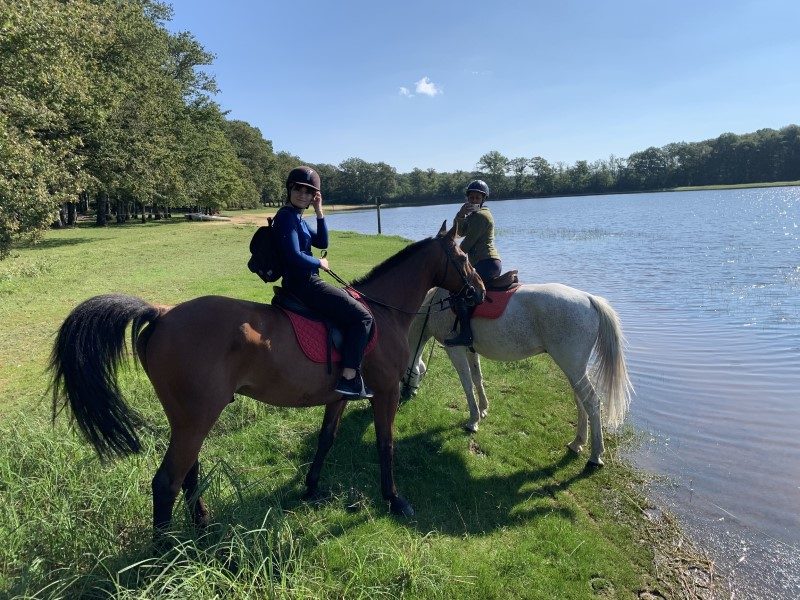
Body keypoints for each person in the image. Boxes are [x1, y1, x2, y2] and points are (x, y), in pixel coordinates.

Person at [273, 166, 374, 398]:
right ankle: (349, 377)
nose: (302, 194)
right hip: (305, 284)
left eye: (309, 192)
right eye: (298, 189)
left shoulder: (297, 217)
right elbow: (292, 255)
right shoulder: (285, 217)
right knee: (363, 317)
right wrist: (319, 263)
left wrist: (319, 212)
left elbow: (321, 240)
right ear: (290, 189)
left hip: (306, 281)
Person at [444, 179, 502, 347]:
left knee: (462, 293)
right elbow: (459, 232)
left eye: (477, 198)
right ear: (467, 199)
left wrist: (451, 257)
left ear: (483, 200)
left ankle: (466, 335)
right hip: (482, 262)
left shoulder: (482, 216)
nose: (474, 201)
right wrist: (461, 215)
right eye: (472, 198)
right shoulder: (474, 215)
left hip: (487, 262)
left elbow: (466, 244)